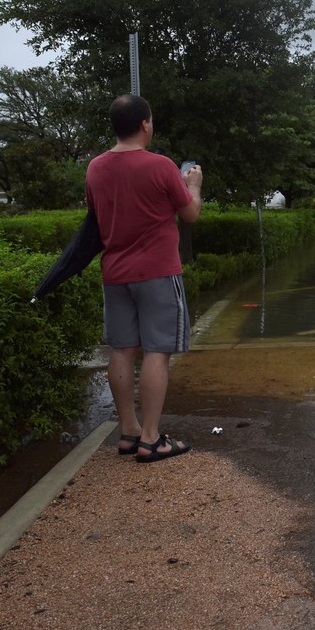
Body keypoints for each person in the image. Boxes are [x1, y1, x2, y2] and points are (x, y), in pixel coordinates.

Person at [85, 95, 203, 463]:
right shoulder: (162, 166)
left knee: (121, 349)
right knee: (157, 350)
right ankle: (152, 439)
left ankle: (129, 431)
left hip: (115, 273)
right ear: (145, 124)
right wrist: (194, 185)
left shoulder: (95, 168)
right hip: (157, 272)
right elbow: (190, 215)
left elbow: (96, 217)